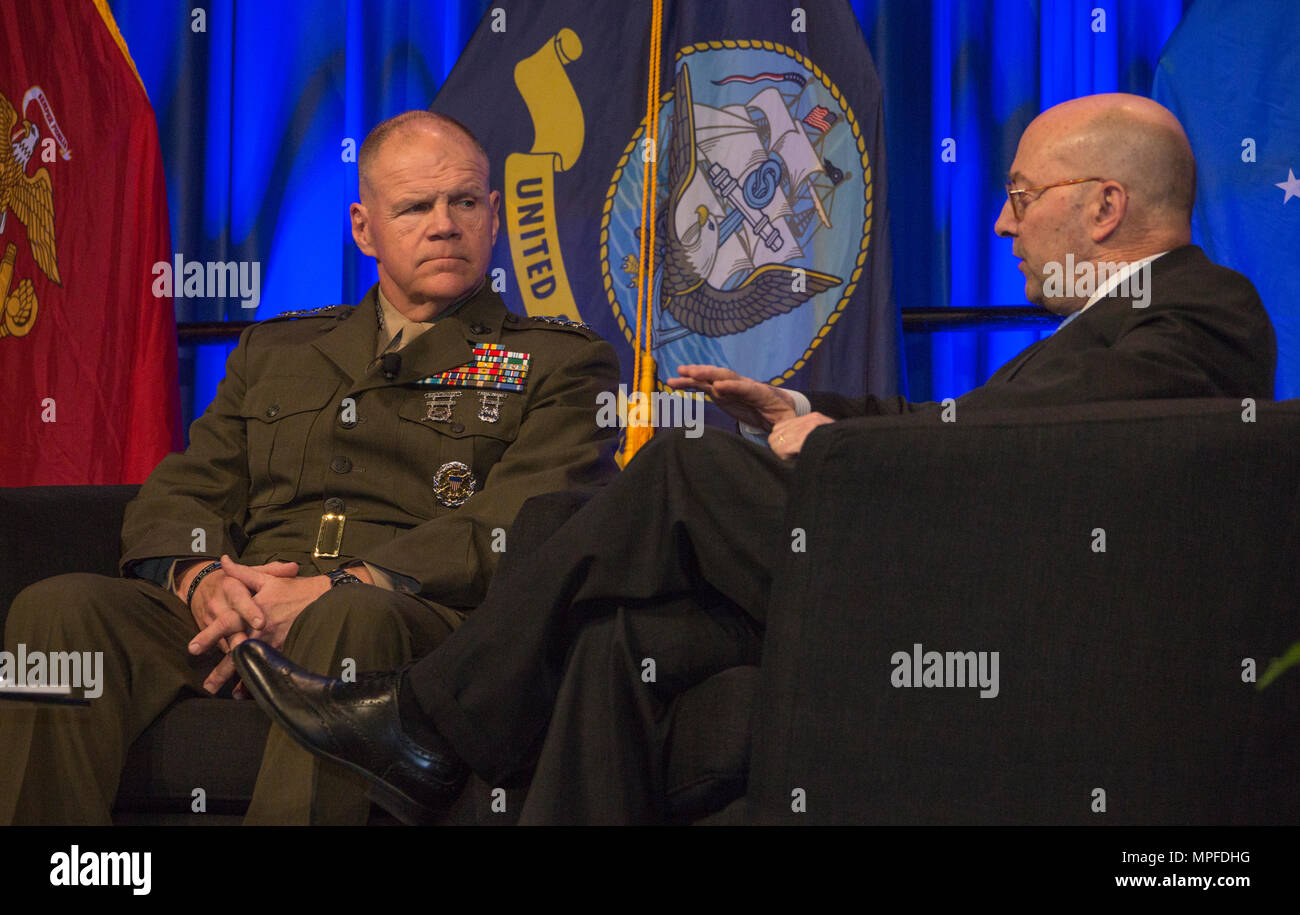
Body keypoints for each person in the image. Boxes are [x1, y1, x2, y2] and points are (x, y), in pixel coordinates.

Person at [231, 93, 1277, 824]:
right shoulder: (1107, 331)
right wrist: (803, 405)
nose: (1002, 223)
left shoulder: (1202, 312)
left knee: (685, 472)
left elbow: (1020, 451)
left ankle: (419, 722)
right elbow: (971, 424)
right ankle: (444, 746)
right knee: (616, 623)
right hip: (936, 560)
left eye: (1021, 194)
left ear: (1102, 205)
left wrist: (829, 448)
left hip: (989, 607)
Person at [0, 111, 620, 825]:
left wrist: (337, 584)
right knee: (58, 610)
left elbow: (515, 523)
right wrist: (204, 582)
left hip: (407, 623)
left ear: (495, 216)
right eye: (417, 206)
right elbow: (186, 487)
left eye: (466, 201)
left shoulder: (563, 362)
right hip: (245, 609)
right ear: (364, 229)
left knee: (345, 619)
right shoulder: (280, 350)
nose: (445, 223)